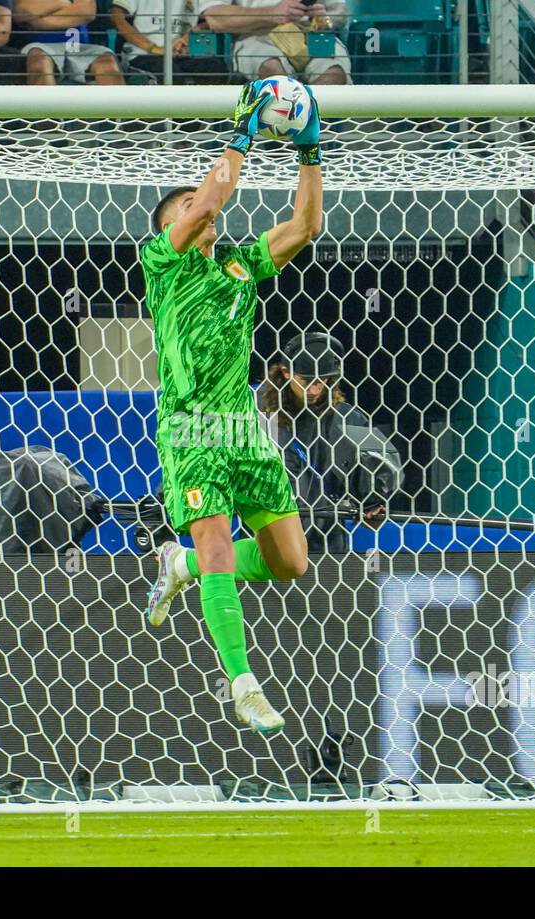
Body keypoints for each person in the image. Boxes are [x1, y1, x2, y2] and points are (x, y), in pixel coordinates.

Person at [142, 81, 323, 734]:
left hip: (244, 428)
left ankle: (180, 565)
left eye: (199, 200)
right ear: (171, 229)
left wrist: (309, 148)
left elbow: (306, 226)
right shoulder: (162, 265)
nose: (202, 207)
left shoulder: (240, 268)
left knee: (290, 563)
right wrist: (241, 133)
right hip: (190, 429)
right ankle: (241, 680)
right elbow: (212, 196)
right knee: (219, 545)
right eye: (187, 206)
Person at [257, 331, 388, 553]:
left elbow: (371, 506)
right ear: (286, 372)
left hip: (326, 545)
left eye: (321, 381)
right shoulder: (255, 415)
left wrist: (372, 504)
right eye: (306, 381)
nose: (315, 390)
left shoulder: (349, 420)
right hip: (266, 539)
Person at [196, 0, 350, 84]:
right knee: (272, 70)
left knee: (334, 74)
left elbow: (339, 13)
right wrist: (272, 13)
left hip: (311, 34)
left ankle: (306, 135)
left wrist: (326, 20)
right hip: (255, 35)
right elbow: (215, 17)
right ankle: (281, 140)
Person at [111, 0, 227, 83]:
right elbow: (116, 17)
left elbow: (217, 18)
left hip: (180, 54)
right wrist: (154, 48)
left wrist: (190, 35)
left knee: (216, 68)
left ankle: (205, 116)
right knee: (169, 72)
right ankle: (181, 117)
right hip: (143, 54)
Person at [14, 0, 124, 85]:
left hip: (80, 46)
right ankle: (48, 113)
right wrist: (65, 3)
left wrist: (37, 20)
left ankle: (118, 113)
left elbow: (86, 12)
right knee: (39, 61)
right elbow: (19, 12)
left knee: (107, 62)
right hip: (39, 46)